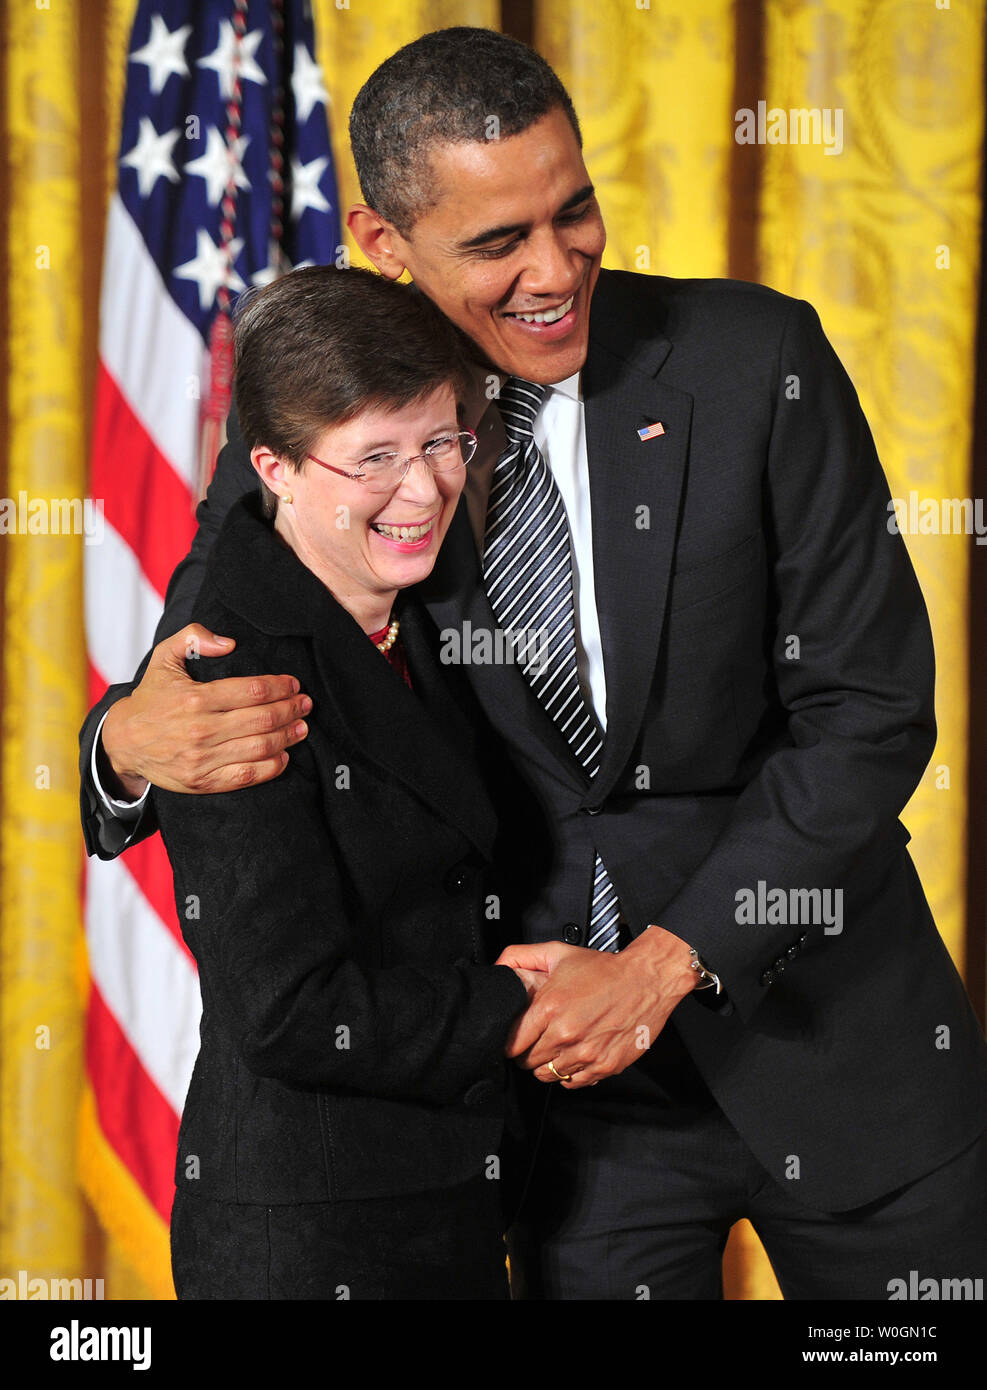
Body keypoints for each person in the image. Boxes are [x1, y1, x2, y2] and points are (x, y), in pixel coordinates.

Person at [81, 28, 987, 1299]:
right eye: (497, 244)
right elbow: (204, 672)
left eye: (575, 214)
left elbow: (873, 708)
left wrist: (670, 958)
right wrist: (121, 748)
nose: (556, 271)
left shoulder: (758, 360)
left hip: (839, 1046)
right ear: (384, 243)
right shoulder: (322, 423)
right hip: (559, 1113)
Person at [152, 264, 540, 1300]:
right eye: (375, 458)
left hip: (451, 1195)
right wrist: (523, 1006)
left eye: (440, 441)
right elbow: (287, 1010)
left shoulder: (426, 603)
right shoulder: (229, 670)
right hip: (310, 1233)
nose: (424, 491)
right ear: (272, 468)